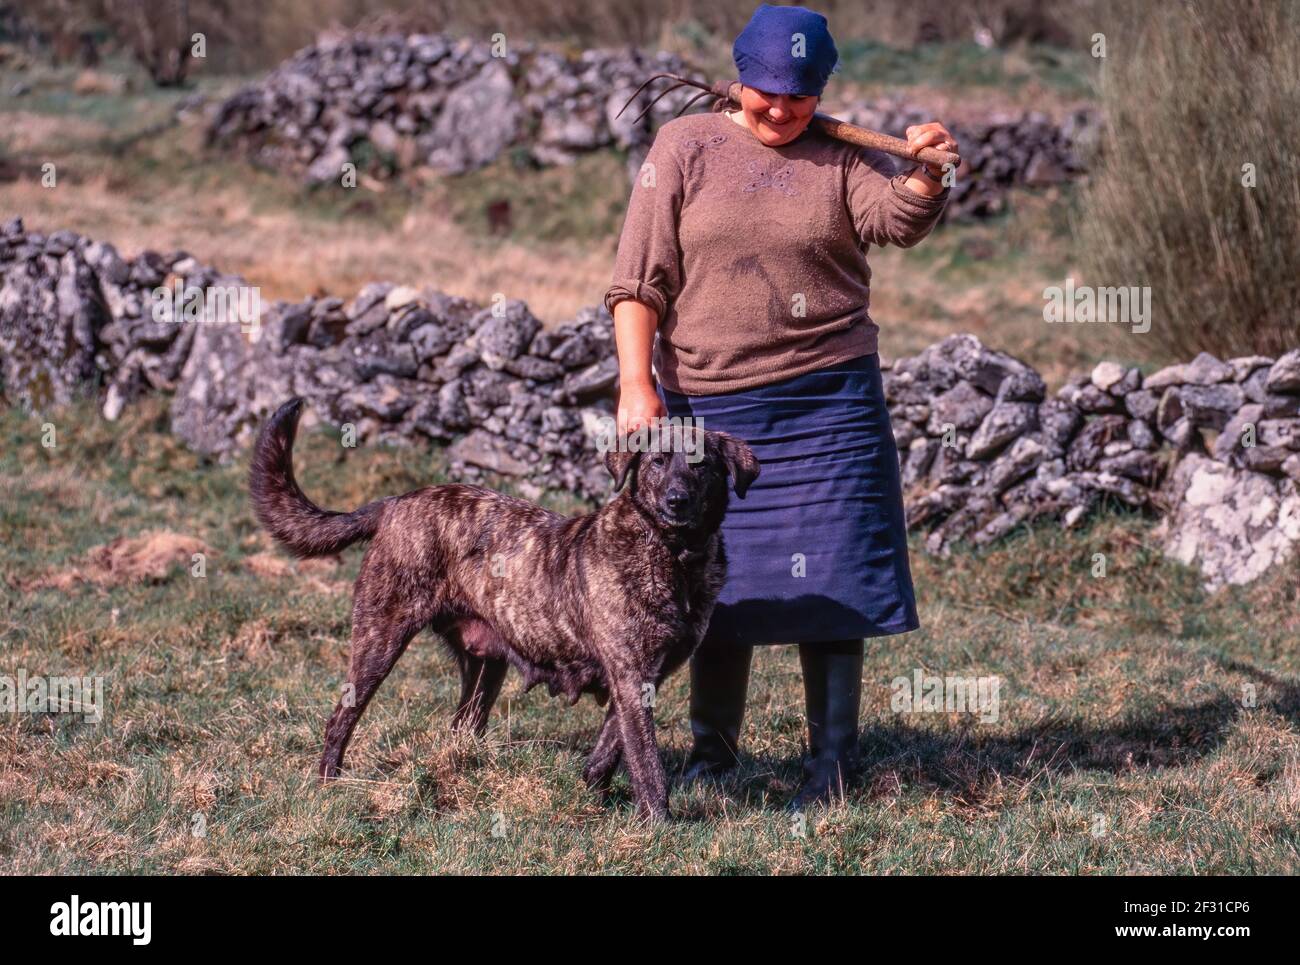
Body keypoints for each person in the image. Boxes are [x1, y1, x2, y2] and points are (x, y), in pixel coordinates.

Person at [604, 3, 956, 808]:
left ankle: (830, 767)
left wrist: (928, 172)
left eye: (798, 96)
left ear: (820, 88)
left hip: (830, 399)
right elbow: (638, 279)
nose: (780, 109)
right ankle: (712, 755)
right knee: (716, 584)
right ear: (739, 79)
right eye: (765, 92)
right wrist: (636, 382)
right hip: (711, 405)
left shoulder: (840, 155)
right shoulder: (684, 148)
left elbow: (894, 219)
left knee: (832, 584)